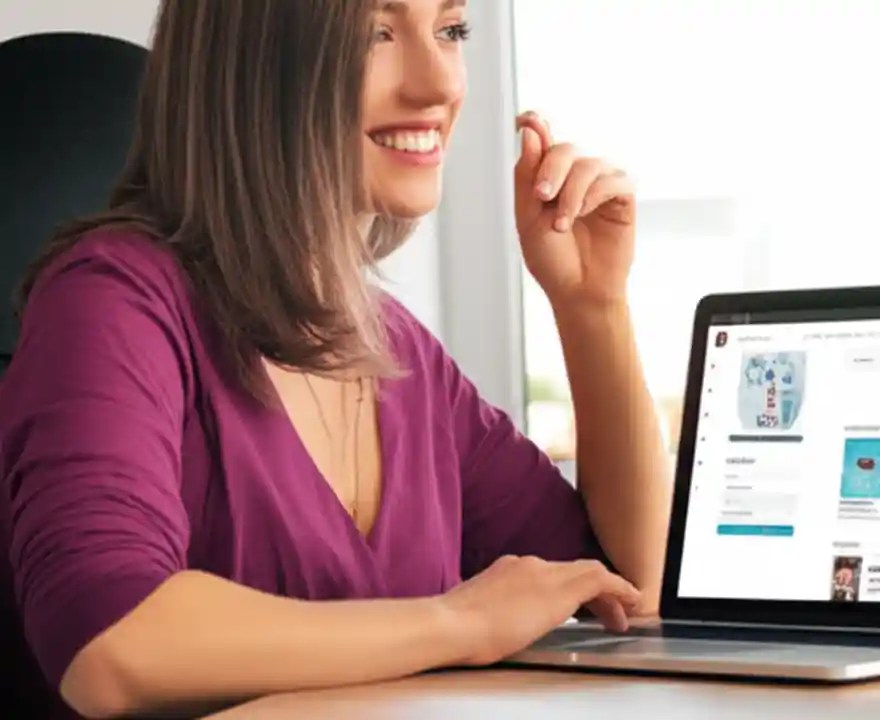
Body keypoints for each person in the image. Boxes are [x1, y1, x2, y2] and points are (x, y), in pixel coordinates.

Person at [0, 1, 671, 718]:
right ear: (255, 66)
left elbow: (630, 590)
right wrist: (460, 622)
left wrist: (592, 307)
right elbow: (110, 646)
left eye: (450, 31)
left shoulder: (398, 351)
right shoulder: (112, 298)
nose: (437, 84)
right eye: (374, 35)